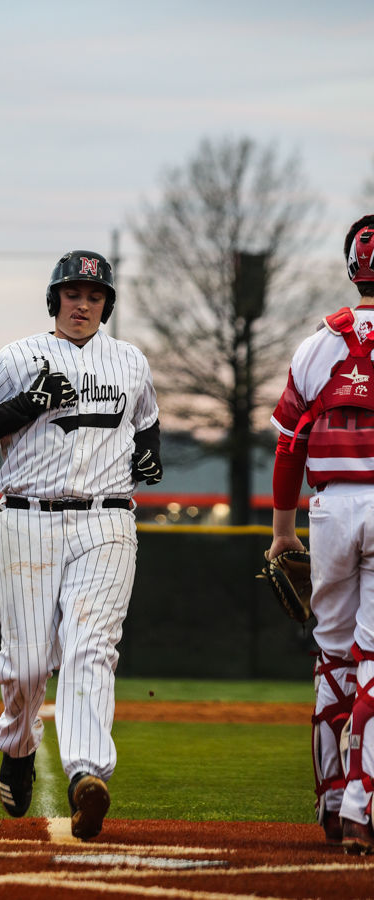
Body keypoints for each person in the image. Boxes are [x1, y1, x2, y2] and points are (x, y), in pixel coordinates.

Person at [0, 249, 162, 839]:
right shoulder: (19, 357)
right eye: (73, 294)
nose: (83, 304)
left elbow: (147, 419)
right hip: (28, 518)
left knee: (91, 645)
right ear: (54, 299)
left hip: (107, 521)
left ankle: (86, 774)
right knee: (26, 665)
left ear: (107, 306)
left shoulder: (130, 361)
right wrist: (26, 405)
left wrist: (150, 451)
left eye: (95, 297)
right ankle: (17, 746)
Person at [267, 215, 374, 854]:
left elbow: (288, 444)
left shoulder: (317, 345)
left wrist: (283, 532)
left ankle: (332, 803)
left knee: (332, 655)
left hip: (330, 511)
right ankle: (365, 806)